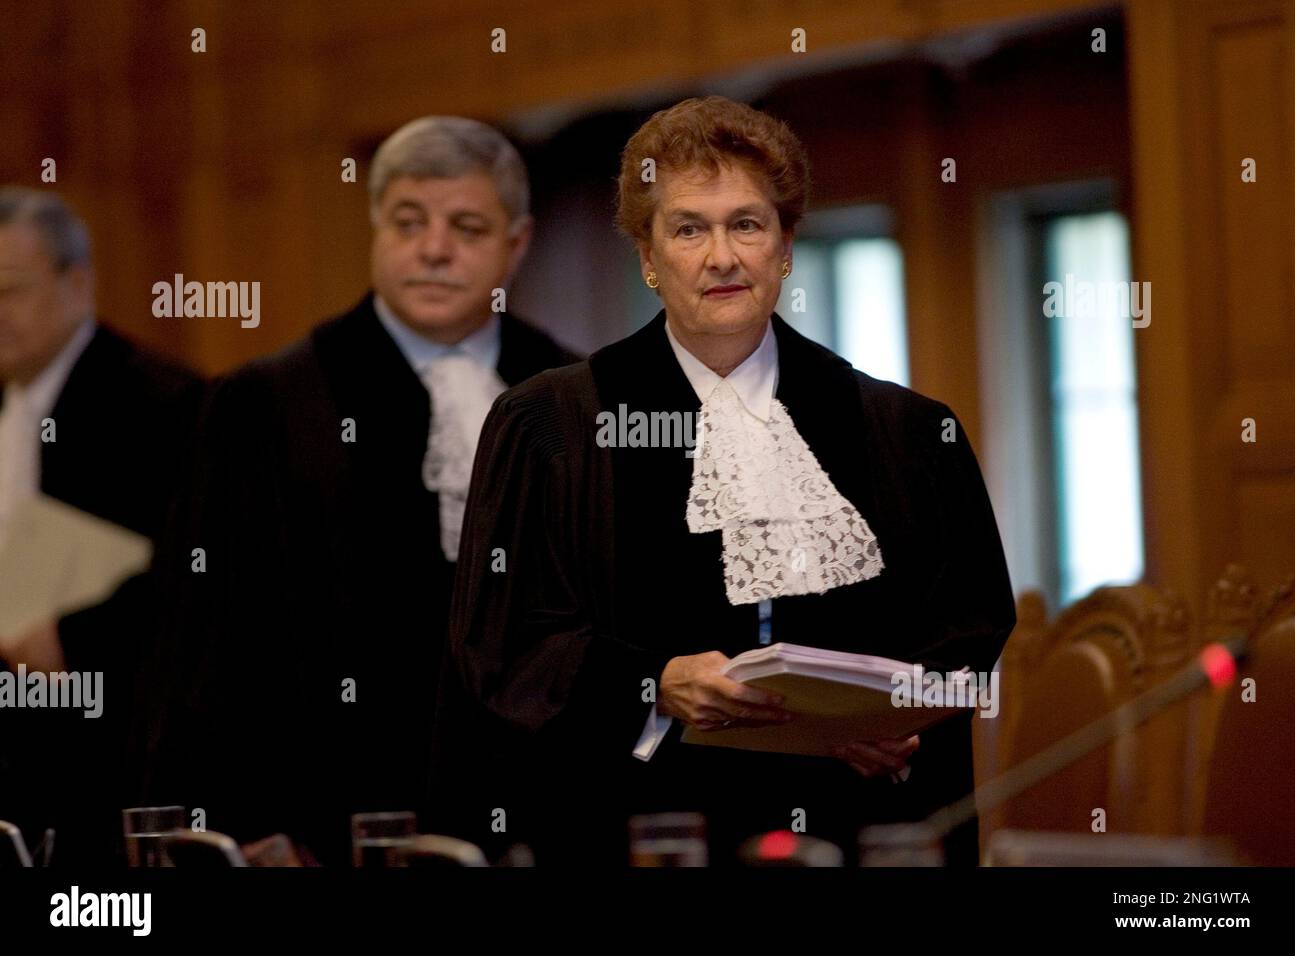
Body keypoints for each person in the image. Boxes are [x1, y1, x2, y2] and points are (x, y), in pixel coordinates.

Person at [440, 96, 1016, 866]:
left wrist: (901, 716)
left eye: (747, 223)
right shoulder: (548, 426)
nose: (722, 256)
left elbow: (970, 627)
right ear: (647, 257)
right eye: (688, 229)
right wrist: (652, 681)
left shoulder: (907, 432)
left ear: (784, 248)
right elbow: (501, 644)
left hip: (846, 829)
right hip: (637, 829)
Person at [148, 117, 578, 864]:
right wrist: (236, 822)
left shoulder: (574, 397)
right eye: (409, 222)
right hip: (322, 817)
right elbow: (203, 631)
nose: (434, 249)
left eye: (467, 227)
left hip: (537, 811)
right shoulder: (264, 400)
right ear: (376, 226)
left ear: (517, 243)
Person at [0, 187, 203, 865]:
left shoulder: (161, 402)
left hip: (114, 746)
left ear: (76, 284)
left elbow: (201, 577)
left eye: (10, 289)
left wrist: (72, 638)